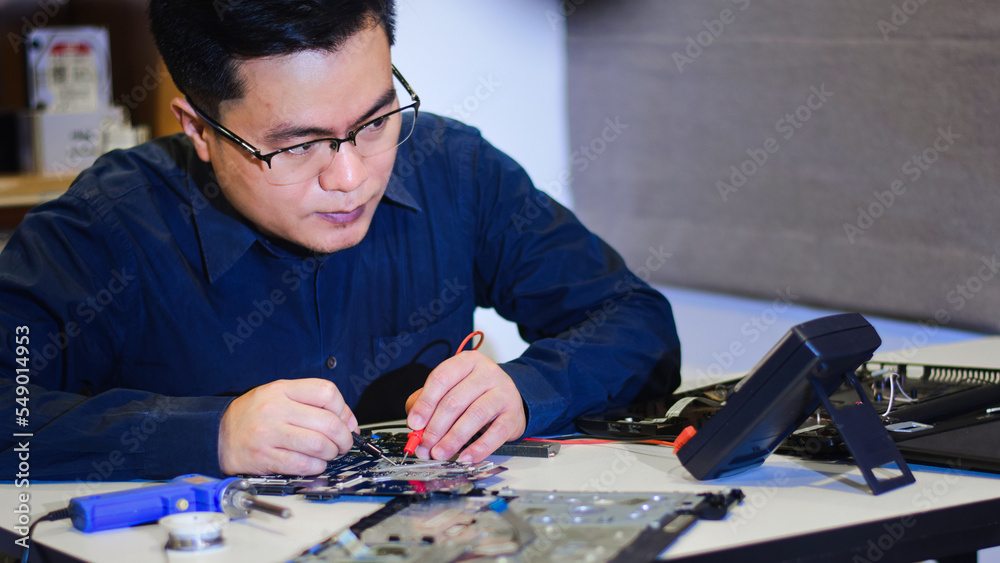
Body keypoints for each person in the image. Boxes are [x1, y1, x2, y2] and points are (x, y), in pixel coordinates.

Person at [0, 0, 680, 481]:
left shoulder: (454, 168)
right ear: (200, 131)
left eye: (376, 120)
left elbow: (636, 323)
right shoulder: (111, 226)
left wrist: (527, 389)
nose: (352, 177)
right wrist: (210, 435)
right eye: (298, 148)